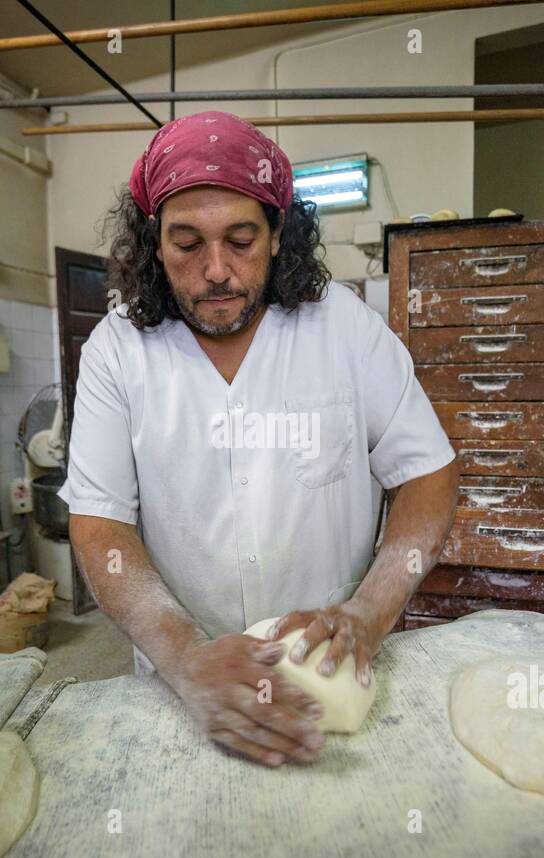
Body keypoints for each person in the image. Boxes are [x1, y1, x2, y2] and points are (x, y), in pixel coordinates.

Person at [60, 111, 459, 767]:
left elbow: (427, 475)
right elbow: (100, 523)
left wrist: (367, 611)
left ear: (278, 234)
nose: (215, 270)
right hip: (186, 691)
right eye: (187, 243)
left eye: (240, 239)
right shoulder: (117, 352)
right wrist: (184, 653)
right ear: (154, 242)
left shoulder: (346, 333)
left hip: (329, 673)